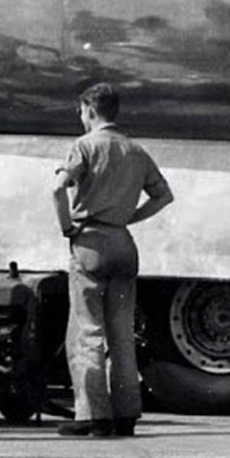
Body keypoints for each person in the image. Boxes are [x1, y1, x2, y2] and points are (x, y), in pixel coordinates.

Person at [52, 82, 172, 439]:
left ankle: (93, 416)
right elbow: (164, 195)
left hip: (89, 242)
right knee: (122, 334)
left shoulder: (84, 146)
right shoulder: (135, 150)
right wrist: (128, 218)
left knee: (87, 332)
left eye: (81, 113)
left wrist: (66, 227)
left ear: (90, 109)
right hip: (123, 242)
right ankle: (126, 414)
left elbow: (57, 188)